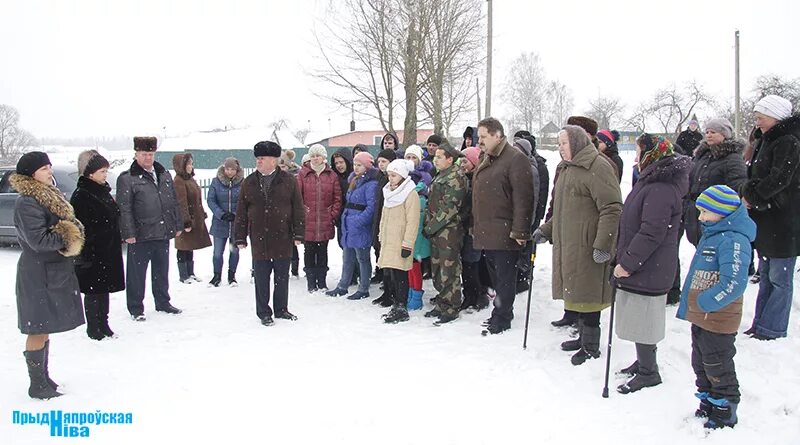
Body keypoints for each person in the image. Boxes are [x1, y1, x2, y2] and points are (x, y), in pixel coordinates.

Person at [534, 125, 622, 364]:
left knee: (589, 294)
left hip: (588, 245)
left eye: (563, 143)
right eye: (558, 143)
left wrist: (603, 245)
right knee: (577, 291)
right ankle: (583, 337)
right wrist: (545, 230)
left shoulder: (598, 167)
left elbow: (612, 208)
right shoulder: (567, 169)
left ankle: (591, 346)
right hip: (569, 243)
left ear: (577, 142)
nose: (559, 148)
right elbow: (562, 211)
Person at [612, 134, 690, 393]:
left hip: (649, 266)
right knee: (639, 318)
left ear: (652, 155)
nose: (635, 158)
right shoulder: (653, 180)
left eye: (639, 152)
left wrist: (627, 263)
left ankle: (649, 372)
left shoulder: (661, 187)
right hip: (646, 265)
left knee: (643, 318)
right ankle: (643, 361)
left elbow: (651, 232)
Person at [676, 185, 755, 429]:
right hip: (703, 316)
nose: (700, 218)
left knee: (717, 362)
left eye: (704, 213)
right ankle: (708, 400)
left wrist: (707, 301)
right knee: (701, 360)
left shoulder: (733, 240)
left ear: (721, 212)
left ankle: (725, 407)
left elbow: (734, 282)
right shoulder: (714, 234)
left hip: (718, 316)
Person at [12, 152, 85, 399]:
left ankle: (43, 377)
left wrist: (72, 228)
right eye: (44, 168)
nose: (49, 171)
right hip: (37, 274)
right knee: (37, 327)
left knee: (45, 327)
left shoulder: (47, 195)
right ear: (32, 174)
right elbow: (38, 240)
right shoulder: (27, 202)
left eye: (49, 167)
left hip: (51, 271)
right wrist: (68, 234)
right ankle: (36, 384)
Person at [741, 95, 800, 340]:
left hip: (783, 218)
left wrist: (753, 195)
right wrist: (750, 192)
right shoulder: (767, 140)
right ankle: (761, 323)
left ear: (776, 116)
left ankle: (773, 327)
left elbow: (780, 178)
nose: (757, 122)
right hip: (767, 216)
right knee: (766, 273)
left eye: (761, 117)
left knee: (779, 277)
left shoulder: (788, 140)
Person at [472, 117, 535, 334]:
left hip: (505, 231)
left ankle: (503, 316)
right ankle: (498, 312)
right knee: (496, 277)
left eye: (483, 137)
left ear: (497, 135)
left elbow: (523, 199)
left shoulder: (514, 159)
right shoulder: (487, 157)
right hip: (488, 230)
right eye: (478, 137)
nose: (479, 141)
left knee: (505, 278)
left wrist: (520, 230)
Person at [235, 141, 304, 326]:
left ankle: (281, 309)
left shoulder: (289, 181)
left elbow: (298, 207)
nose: (258, 162)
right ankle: (264, 312)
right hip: (259, 236)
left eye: (262, 158)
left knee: (282, 276)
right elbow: (241, 211)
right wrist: (240, 236)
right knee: (261, 277)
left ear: (273, 160)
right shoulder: (249, 182)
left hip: (283, 235)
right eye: (257, 158)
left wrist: (298, 233)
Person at [117, 136, 183, 320]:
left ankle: (163, 302)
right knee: (137, 275)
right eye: (144, 154)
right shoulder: (128, 178)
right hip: (141, 235)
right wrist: (129, 233)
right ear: (136, 154)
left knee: (161, 271)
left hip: (162, 233)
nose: (148, 158)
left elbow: (173, 202)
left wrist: (177, 224)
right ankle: (136, 308)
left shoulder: (164, 174)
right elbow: (125, 208)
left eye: (151, 154)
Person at [71, 151, 125, 340]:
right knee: (94, 291)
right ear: (91, 173)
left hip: (107, 250)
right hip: (92, 253)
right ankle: (93, 327)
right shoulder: (82, 195)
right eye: (102, 171)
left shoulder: (103, 191)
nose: (105, 175)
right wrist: (87, 252)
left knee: (104, 290)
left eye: (106, 171)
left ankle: (104, 323)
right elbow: (80, 226)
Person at [423, 141, 468, 325]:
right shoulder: (441, 175)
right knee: (437, 268)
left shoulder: (455, 177)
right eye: (435, 157)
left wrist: (431, 227)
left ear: (450, 159)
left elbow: (450, 208)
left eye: (440, 157)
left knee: (449, 269)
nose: (436, 160)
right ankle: (442, 302)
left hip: (449, 231)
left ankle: (452, 307)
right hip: (436, 231)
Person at [684, 118, 747, 247]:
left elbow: (737, 186)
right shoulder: (701, 156)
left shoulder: (732, 158)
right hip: (695, 213)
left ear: (724, 134)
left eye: (713, 132)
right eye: (707, 132)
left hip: (717, 215)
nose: (708, 135)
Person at [326, 152, 380, 300]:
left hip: (359, 226)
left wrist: (358, 221)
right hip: (349, 224)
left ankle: (363, 288)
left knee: (362, 258)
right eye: (355, 164)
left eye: (359, 165)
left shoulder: (372, 184)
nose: (356, 168)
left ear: (367, 166)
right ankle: (342, 285)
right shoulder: (354, 180)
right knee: (347, 257)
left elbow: (371, 207)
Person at [377, 159, 420, 323]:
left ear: (402, 175)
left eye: (394, 175)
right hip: (390, 240)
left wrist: (407, 243)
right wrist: (381, 235)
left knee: (401, 274)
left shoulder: (410, 194)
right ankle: (396, 303)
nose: (390, 178)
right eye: (389, 175)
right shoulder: (388, 192)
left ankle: (402, 305)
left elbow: (413, 221)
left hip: (401, 241)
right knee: (392, 273)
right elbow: (384, 217)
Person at [297, 144, 343, 293]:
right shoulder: (303, 174)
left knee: (323, 251)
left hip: (325, 220)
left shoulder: (331, 175)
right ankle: (311, 282)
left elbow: (337, 198)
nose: (316, 158)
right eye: (313, 155)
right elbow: (297, 197)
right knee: (309, 251)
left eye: (318, 155)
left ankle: (322, 281)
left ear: (324, 157)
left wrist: (332, 214)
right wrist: (303, 211)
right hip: (308, 220)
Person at [172, 153, 212, 283]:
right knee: (183, 246)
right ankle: (183, 275)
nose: (191, 166)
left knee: (190, 246)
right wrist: (186, 221)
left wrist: (202, 212)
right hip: (185, 220)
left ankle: (191, 273)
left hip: (194, 217)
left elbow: (197, 199)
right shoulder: (178, 180)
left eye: (191, 163)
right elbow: (181, 202)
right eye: (188, 164)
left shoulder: (190, 179)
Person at [459, 146, 490, 311]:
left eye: (465, 161)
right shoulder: (463, 179)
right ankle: (469, 294)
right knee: (466, 263)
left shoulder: (478, 181)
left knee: (472, 263)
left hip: (474, 229)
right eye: (461, 161)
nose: (462, 164)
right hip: (464, 228)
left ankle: (478, 294)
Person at [207, 157, 244, 287]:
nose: (229, 172)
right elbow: (211, 200)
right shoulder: (216, 182)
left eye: (232, 169)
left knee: (234, 251)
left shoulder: (242, 183)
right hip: (219, 223)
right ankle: (216, 275)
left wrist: (235, 214)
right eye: (227, 169)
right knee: (217, 252)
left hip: (235, 223)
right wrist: (221, 214)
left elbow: (245, 202)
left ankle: (231, 275)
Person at [511, 137, 540, 293]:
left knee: (523, 253)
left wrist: (528, 223)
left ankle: (522, 281)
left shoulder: (531, 169)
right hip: (516, 218)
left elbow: (531, 198)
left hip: (525, 220)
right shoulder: (516, 167)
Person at [369, 149, 397, 289]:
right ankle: (384, 280)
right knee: (379, 250)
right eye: (379, 161)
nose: (380, 164)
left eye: (384, 161)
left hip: (388, 218)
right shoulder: (379, 177)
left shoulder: (393, 178)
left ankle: (390, 285)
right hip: (378, 216)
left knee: (388, 253)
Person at [331, 148, 354, 248]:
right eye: (336, 163)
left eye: (341, 162)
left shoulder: (354, 177)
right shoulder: (334, 177)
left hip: (354, 218)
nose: (339, 166)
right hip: (341, 219)